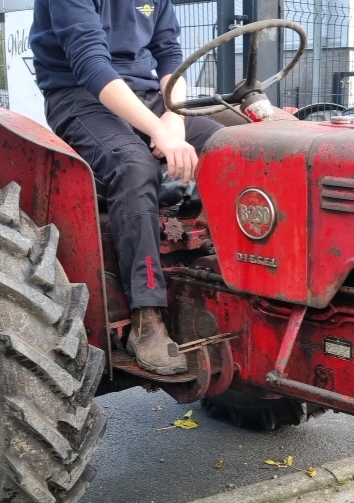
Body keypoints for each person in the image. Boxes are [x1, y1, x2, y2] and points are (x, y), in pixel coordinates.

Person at [30, 0, 222, 375]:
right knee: (133, 167)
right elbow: (90, 63)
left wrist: (174, 117)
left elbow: (169, 54)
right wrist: (158, 130)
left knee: (230, 149)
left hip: (148, 95)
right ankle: (146, 317)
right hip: (80, 96)